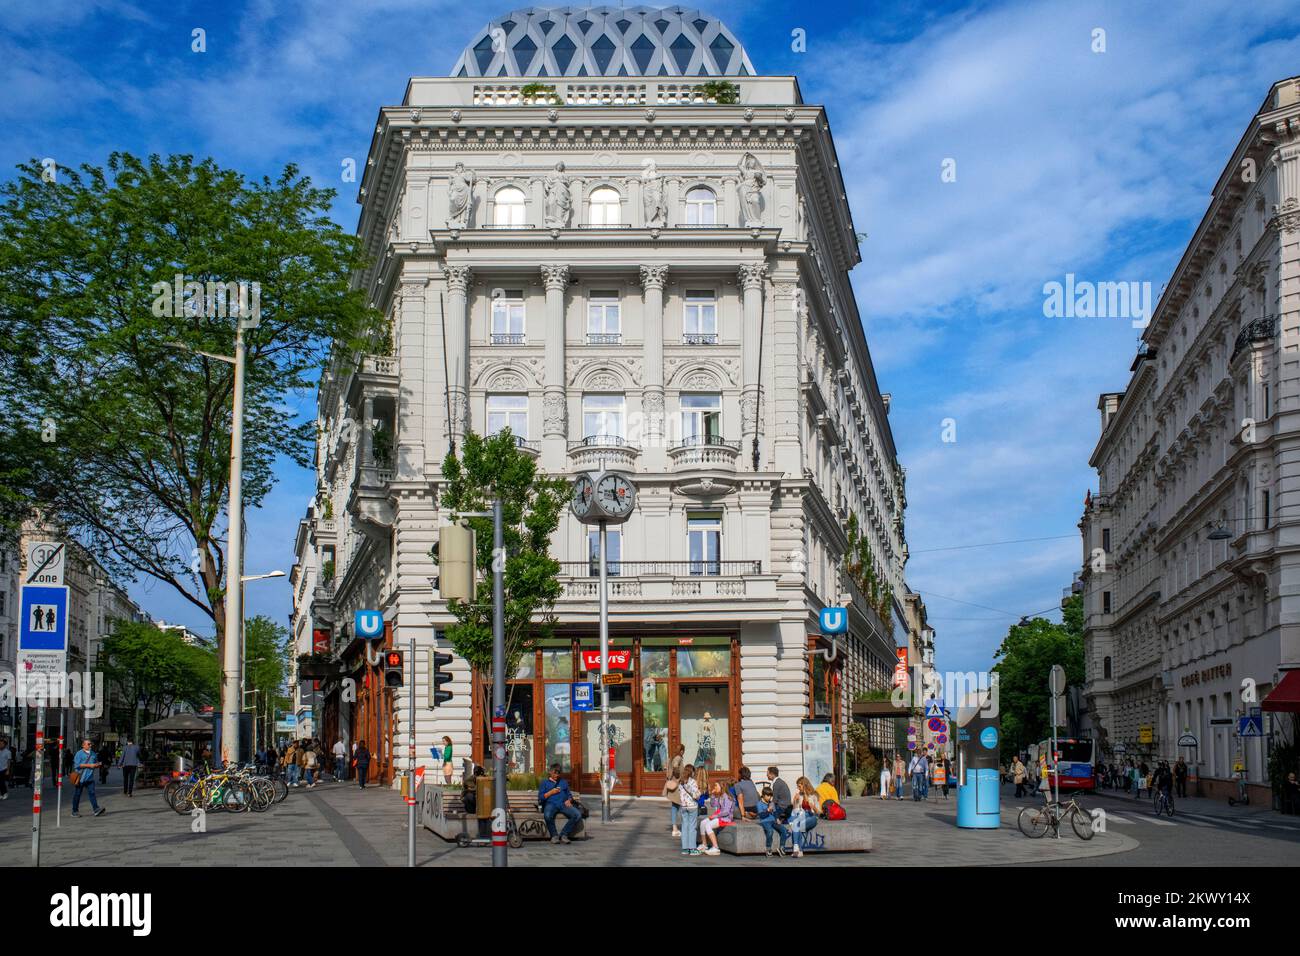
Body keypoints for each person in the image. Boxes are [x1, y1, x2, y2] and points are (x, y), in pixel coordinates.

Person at [538, 764, 582, 844]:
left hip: (563, 804)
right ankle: (554, 835)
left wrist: (569, 800)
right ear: (550, 772)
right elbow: (541, 797)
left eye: (558, 773)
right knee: (547, 815)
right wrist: (551, 792)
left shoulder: (563, 782)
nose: (556, 775)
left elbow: (569, 795)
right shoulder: (544, 783)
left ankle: (564, 834)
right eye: (555, 773)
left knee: (577, 815)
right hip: (550, 804)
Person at [71, 740, 106, 818]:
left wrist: (97, 765)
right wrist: (90, 765)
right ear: (83, 745)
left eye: (91, 744)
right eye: (89, 744)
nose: (90, 745)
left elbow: (95, 763)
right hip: (80, 778)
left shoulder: (93, 754)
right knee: (77, 794)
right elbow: (77, 765)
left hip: (90, 778)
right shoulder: (79, 753)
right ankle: (74, 811)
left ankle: (96, 809)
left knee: (92, 793)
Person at [697, 780, 733, 855]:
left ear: (722, 787)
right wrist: (713, 795)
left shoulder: (727, 797)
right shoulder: (720, 796)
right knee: (703, 823)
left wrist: (716, 816)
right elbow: (713, 805)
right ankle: (704, 844)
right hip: (719, 816)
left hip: (726, 818)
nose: (715, 787)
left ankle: (716, 847)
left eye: (716, 786)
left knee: (708, 825)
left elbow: (726, 812)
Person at [789, 777, 821, 858]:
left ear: (804, 785)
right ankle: (797, 849)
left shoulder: (814, 795)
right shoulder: (799, 795)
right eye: (798, 786)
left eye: (799, 786)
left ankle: (798, 850)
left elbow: (819, 812)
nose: (798, 788)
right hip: (802, 815)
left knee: (797, 826)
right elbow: (795, 811)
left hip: (812, 816)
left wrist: (813, 807)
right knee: (796, 824)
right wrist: (795, 801)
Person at [756, 785, 789, 856]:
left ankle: (782, 847)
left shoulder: (771, 803)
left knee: (784, 830)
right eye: (768, 796)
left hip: (773, 821)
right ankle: (768, 849)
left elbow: (775, 813)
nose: (770, 798)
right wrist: (767, 810)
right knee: (770, 831)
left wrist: (777, 819)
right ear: (764, 795)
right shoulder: (759, 804)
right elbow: (761, 816)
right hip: (765, 821)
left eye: (771, 796)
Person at [678, 764, 702, 855]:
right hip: (692, 806)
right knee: (692, 827)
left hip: (683, 806)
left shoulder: (681, 782)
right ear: (692, 772)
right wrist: (699, 793)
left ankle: (685, 848)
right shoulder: (693, 782)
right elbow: (696, 794)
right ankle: (692, 848)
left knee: (684, 826)